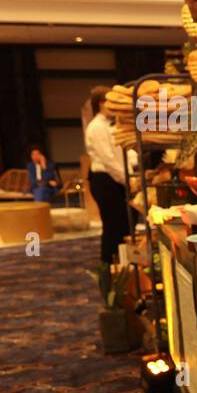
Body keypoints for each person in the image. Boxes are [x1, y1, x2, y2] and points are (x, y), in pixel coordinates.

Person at [84, 86, 131, 264]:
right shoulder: (96, 127)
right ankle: (110, 266)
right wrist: (127, 180)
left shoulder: (114, 124)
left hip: (117, 178)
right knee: (113, 226)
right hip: (105, 180)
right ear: (102, 104)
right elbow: (108, 159)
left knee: (125, 225)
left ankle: (124, 264)